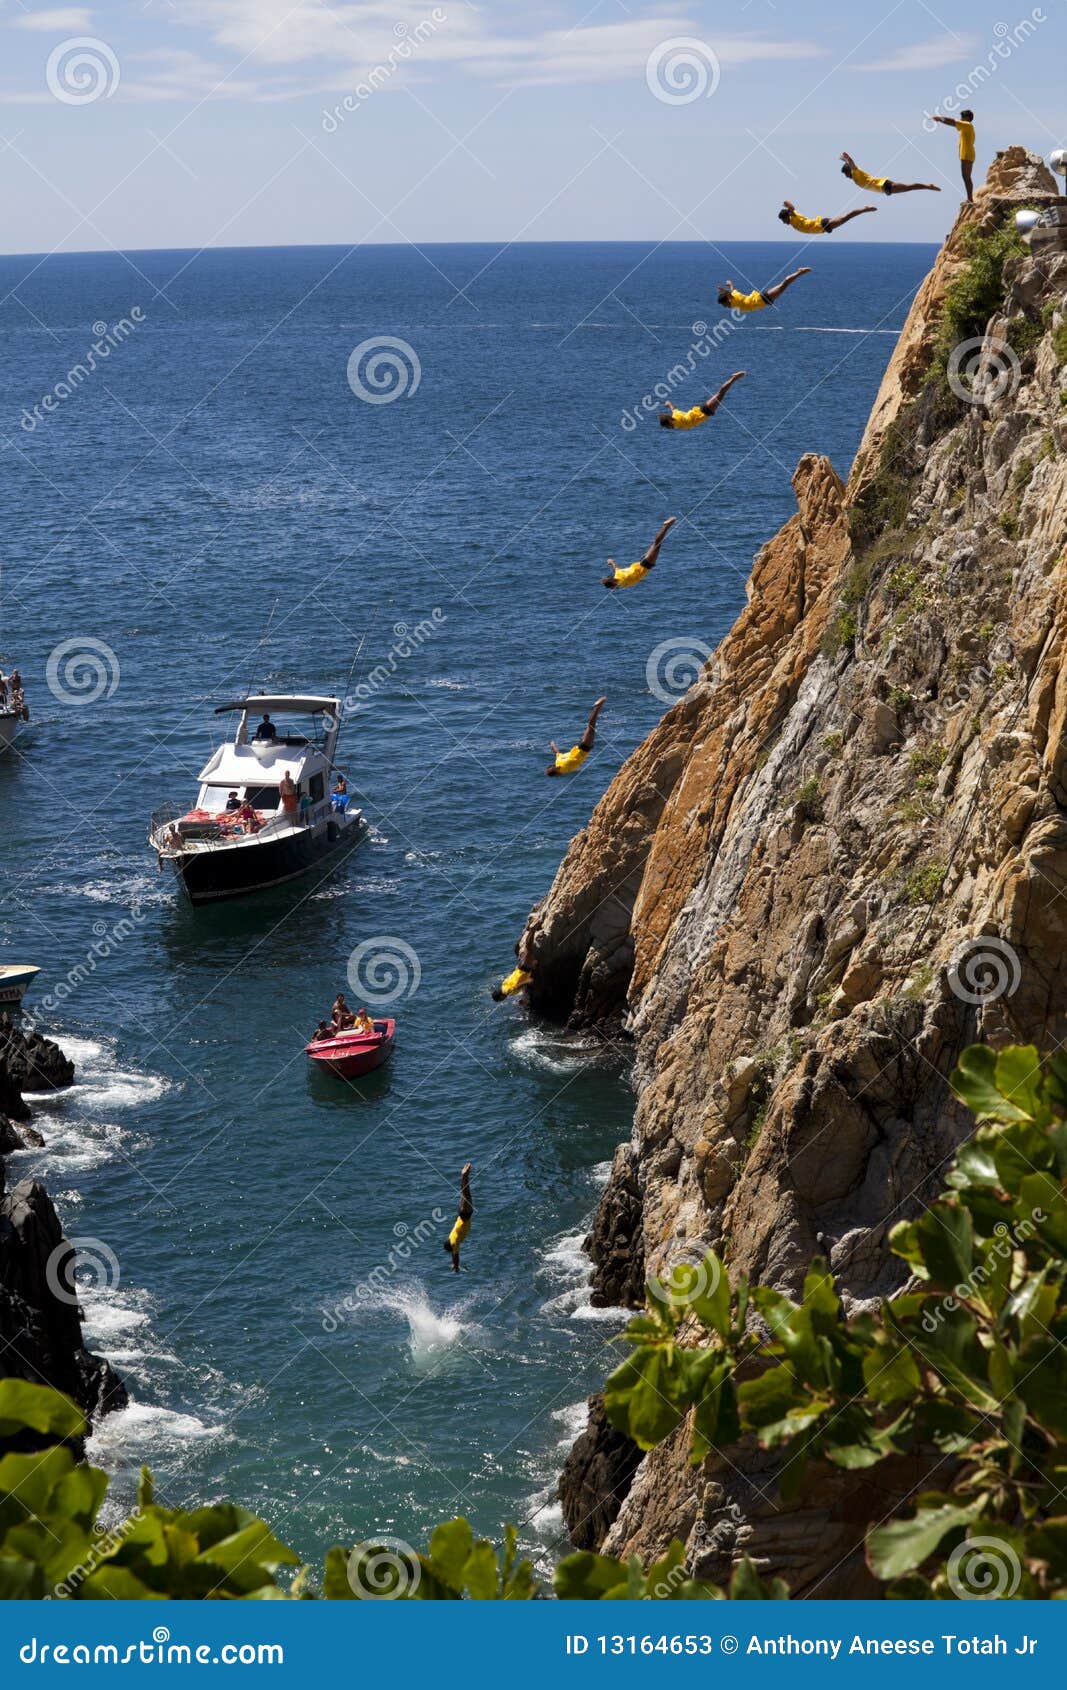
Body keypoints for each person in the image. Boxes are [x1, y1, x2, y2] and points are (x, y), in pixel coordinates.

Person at [603, 517, 677, 588]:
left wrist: (610, 581)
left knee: (657, 544)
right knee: (656, 544)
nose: (613, 589)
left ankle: (667, 525)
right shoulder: (617, 574)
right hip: (641, 562)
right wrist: (611, 562)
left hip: (645, 565)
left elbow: (618, 579)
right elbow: (616, 567)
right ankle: (667, 525)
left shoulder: (621, 581)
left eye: (612, 587)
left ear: (613, 583)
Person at [659, 371, 746, 431]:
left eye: (667, 426)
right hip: (702, 410)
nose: (668, 428)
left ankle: (734, 378)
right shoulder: (675, 415)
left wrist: (664, 416)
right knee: (720, 393)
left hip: (704, 412)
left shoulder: (677, 422)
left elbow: (673, 416)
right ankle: (733, 378)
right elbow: (673, 408)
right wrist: (669, 403)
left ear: (669, 422)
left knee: (721, 393)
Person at [546, 696, 606, 777]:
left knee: (591, 726)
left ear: (557, 773)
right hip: (579, 745)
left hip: (585, 748)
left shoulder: (566, 769)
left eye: (556, 775)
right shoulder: (558, 762)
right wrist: (553, 746)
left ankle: (597, 706)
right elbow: (557, 753)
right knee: (590, 726)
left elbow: (576, 765)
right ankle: (597, 707)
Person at [839, 152, 940, 195]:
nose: (846, 176)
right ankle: (928, 186)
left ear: (849, 171)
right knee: (908, 188)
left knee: (909, 187)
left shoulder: (855, 173)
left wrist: (846, 158)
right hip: (884, 189)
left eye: (845, 174)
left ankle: (928, 186)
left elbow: (852, 164)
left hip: (884, 185)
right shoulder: (855, 177)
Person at [929, 111, 976, 201]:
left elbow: (952, 122)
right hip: (968, 154)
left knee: (966, 177)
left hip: (967, 155)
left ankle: (970, 199)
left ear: (967, 118)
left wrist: (940, 118)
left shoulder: (967, 124)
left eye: (962, 117)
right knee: (967, 177)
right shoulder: (967, 127)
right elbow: (954, 122)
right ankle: (970, 198)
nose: (960, 119)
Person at [716, 269, 810, 312]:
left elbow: (729, 293)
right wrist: (730, 284)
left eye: (724, 304)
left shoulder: (733, 302)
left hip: (762, 299)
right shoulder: (734, 295)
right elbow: (733, 290)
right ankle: (799, 273)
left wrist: (724, 290)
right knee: (783, 286)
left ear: (727, 300)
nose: (725, 307)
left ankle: (800, 272)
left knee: (783, 285)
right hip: (763, 300)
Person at [778, 200, 876, 234]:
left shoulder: (793, 217)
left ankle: (865, 209)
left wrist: (786, 204)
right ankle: (864, 209)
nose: (783, 222)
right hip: (823, 227)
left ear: (787, 216)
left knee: (846, 217)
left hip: (822, 225)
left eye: (783, 220)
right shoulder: (792, 220)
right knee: (845, 218)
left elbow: (791, 206)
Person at [443, 1163, 473, 1273]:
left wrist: (455, 1266)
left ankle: (464, 1175)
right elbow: (453, 1254)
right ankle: (464, 1175)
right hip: (461, 1214)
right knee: (464, 1193)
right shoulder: (451, 1237)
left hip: (465, 1215)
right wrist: (453, 1263)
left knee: (466, 1193)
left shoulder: (455, 1242)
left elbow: (456, 1256)